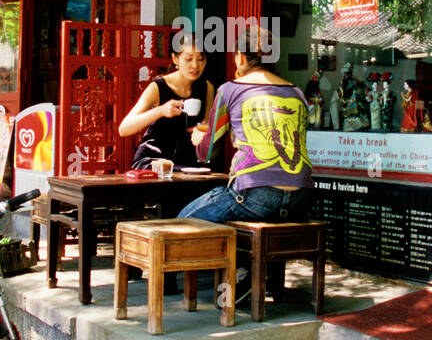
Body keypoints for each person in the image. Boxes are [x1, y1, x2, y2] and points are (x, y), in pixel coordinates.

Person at [179, 25, 313, 223]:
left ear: (240, 57)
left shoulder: (230, 89)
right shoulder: (297, 93)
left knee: (181, 222)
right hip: (302, 196)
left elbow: (206, 152)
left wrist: (199, 139)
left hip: (255, 195)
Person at [118, 36, 214, 170]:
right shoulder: (158, 86)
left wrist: (202, 132)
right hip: (154, 161)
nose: (195, 65)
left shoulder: (207, 87)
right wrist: (160, 110)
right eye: (188, 59)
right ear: (175, 59)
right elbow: (124, 128)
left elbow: (207, 125)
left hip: (189, 164)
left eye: (200, 59)